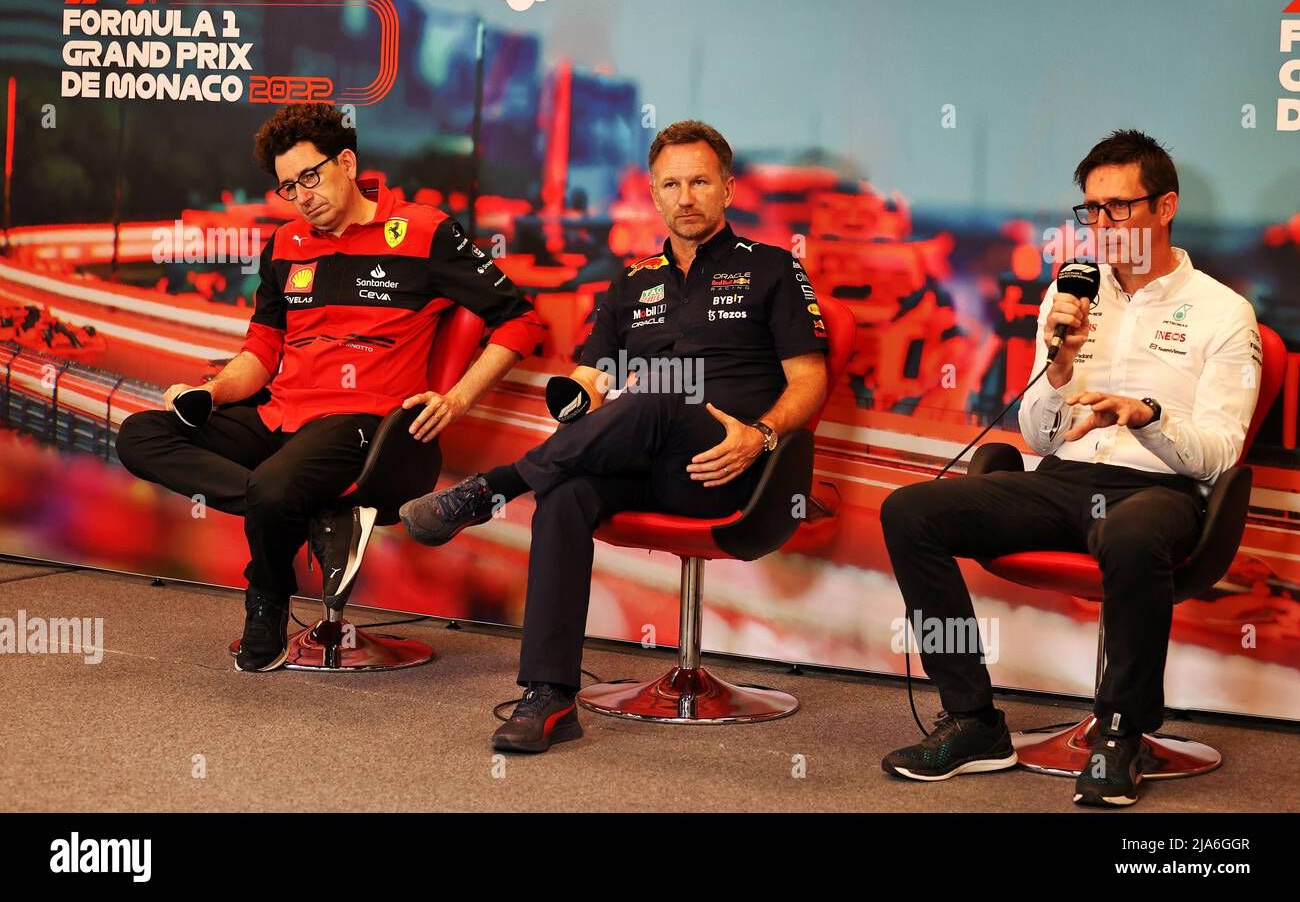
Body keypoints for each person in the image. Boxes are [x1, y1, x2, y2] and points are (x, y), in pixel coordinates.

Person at [400, 120, 830, 752]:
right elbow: (592, 376)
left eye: (700, 182)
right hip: (644, 463)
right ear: (653, 195)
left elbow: (809, 379)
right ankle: (549, 698)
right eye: (671, 184)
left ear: (729, 189)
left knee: (659, 392)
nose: (686, 197)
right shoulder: (631, 280)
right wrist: (582, 396)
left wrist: (761, 436)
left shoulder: (772, 269)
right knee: (567, 494)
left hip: (732, 469)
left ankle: (492, 489)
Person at [878, 129, 1261, 807]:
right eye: (1091, 210)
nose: (1102, 226)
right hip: (1062, 484)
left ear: (1165, 206)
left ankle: (1122, 731)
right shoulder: (1071, 295)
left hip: (1161, 491)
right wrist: (1056, 364)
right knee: (909, 509)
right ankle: (974, 721)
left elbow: (1221, 452)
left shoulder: (1223, 312)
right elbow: (1036, 432)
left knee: (1130, 532)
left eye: (1119, 207)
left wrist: (1144, 413)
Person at [115, 103, 544, 672]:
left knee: (274, 489)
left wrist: (457, 399)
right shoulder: (286, 244)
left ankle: (265, 598)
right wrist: (213, 393)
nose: (302, 195)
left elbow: (522, 321)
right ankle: (315, 513)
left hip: (367, 426)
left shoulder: (422, 230)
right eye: (288, 186)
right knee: (139, 435)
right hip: (279, 416)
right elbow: (261, 353)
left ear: (346, 161)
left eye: (311, 176)